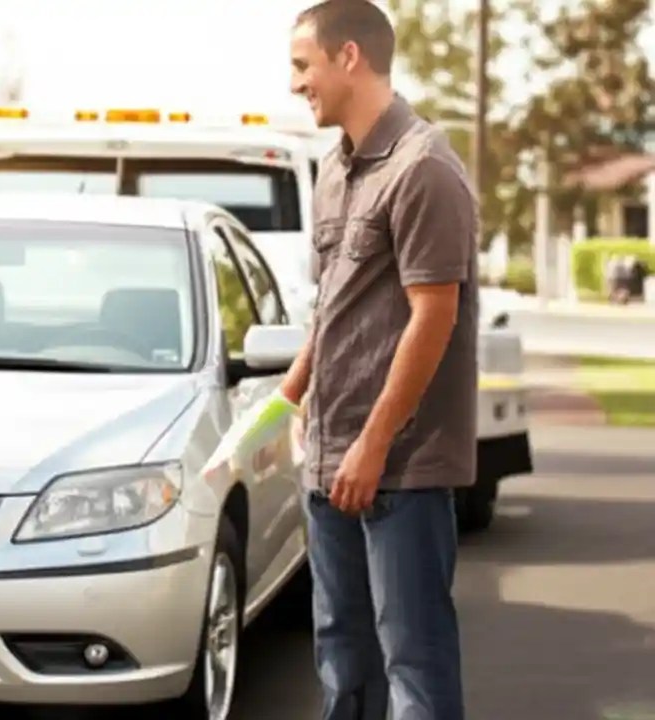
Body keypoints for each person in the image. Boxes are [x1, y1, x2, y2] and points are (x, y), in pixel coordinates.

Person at [283, 2, 479, 718]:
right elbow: (334, 306)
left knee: (414, 662)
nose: (296, 83)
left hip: (399, 468)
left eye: (302, 65)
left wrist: (374, 442)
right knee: (342, 658)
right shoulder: (335, 172)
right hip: (330, 459)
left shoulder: (424, 168)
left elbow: (435, 316)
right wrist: (291, 394)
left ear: (349, 58)